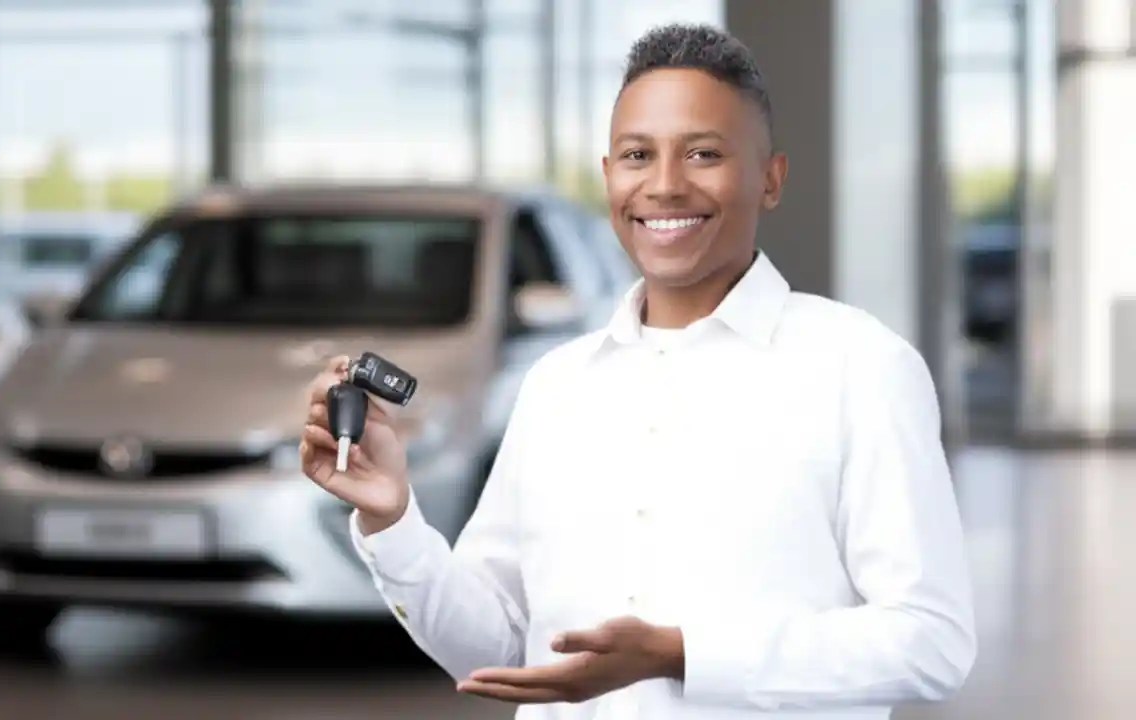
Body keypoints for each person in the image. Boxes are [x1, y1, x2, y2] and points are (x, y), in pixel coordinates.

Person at [298, 22, 976, 719]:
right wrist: (391, 520)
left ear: (770, 179)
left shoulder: (861, 367)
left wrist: (682, 654)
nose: (665, 186)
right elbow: (501, 652)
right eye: (637, 155)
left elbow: (931, 641)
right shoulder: (557, 387)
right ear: (608, 177)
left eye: (704, 154)